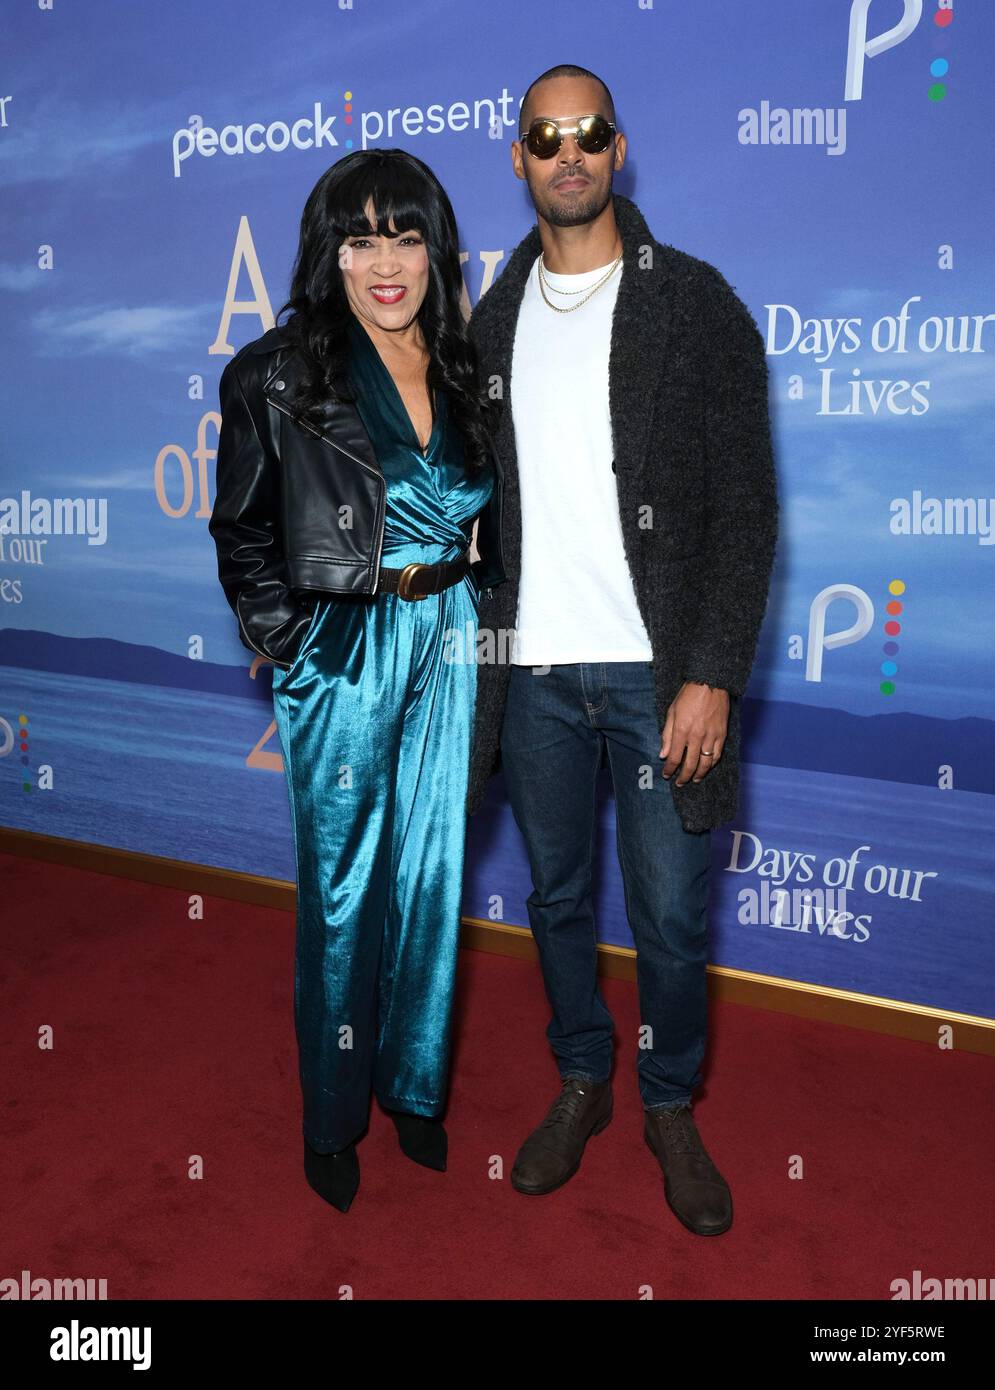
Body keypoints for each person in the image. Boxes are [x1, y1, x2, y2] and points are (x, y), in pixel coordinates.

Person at [466, 65, 778, 1236]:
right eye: (544, 136)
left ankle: (664, 1101)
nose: (568, 153)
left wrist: (711, 671)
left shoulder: (693, 305)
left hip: (657, 681)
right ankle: (581, 1078)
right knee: (553, 900)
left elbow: (745, 508)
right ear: (517, 158)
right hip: (532, 675)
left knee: (669, 916)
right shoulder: (485, 323)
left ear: (618, 147)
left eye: (588, 132)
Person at [209, 149, 505, 1213]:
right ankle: (332, 1116)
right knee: (343, 893)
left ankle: (413, 1088)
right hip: (344, 642)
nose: (385, 262)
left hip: (449, 634)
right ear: (327, 251)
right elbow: (240, 528)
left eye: (406, 234)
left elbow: (489, 521)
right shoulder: (276, 374)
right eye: (360, 237)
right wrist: (289, 642)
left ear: (436, 245)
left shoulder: (467, 365)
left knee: (431, 877)